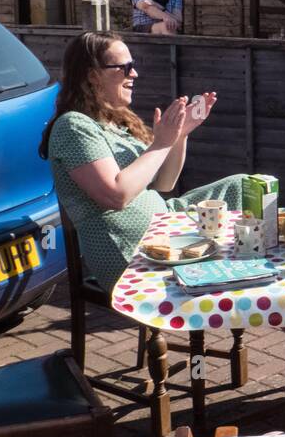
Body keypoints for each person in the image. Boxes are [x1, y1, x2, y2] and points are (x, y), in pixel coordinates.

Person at [40, 31, 243, 291]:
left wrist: (179, 136)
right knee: (241, 249)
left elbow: (165, 183)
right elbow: (117, 195)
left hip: (164, 225)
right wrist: (161, 143)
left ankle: (283, 291)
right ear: (92, 75)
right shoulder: (74, 126)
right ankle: (276, 301)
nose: (133, 74)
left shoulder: (117, 123)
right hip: (133, 251)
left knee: (247, 186)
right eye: (124, 68)